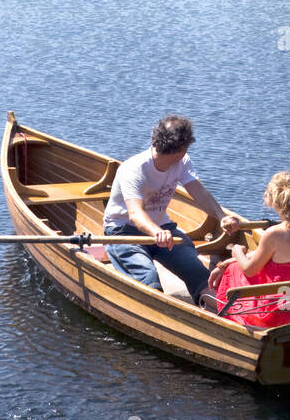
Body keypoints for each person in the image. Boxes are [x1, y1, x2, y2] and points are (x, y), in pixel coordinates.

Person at [103, 115, 241, 306]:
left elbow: (198, 192)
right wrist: (156, 232)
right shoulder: (133, 169)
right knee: (147, 277)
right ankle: (157, 310)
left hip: (163, 230)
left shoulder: (182, 162)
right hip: (123, 232)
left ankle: (219, 313)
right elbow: (135, 213)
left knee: (198, 272)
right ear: (180, 149)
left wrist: (221, 217)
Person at [210, 172, 290, 328]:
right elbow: (265, 256)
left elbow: (249, 270)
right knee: (237, 264)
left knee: (234, 269)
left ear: (271, 201)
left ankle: (231, 321)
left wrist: (237, 251)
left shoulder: (274, 234)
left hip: (281, 314)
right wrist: (226, 261)